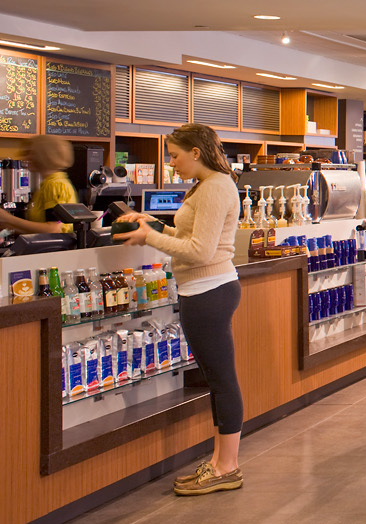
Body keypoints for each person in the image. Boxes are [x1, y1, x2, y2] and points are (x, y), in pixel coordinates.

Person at [114, 123, 245, 496]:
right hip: (202, 290)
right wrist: (151, 224)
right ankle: (221, 463)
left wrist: (149, 237)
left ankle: (228, 466)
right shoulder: (208, 186)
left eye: (174, 155)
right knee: (215, 378)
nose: (172, 164)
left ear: (196, 152)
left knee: (221, 380)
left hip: (209, 290)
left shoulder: (216, 187)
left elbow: (201, 252)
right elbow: (189, 237)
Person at [0, 134, 77, 234]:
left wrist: (9, 219)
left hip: (54, 249)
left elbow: (54, 229)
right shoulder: (48, 184)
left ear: (43, 155)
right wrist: (9, 229)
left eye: (29, 153)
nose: (25, 158)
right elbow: (40, 230)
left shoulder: (55, 185)